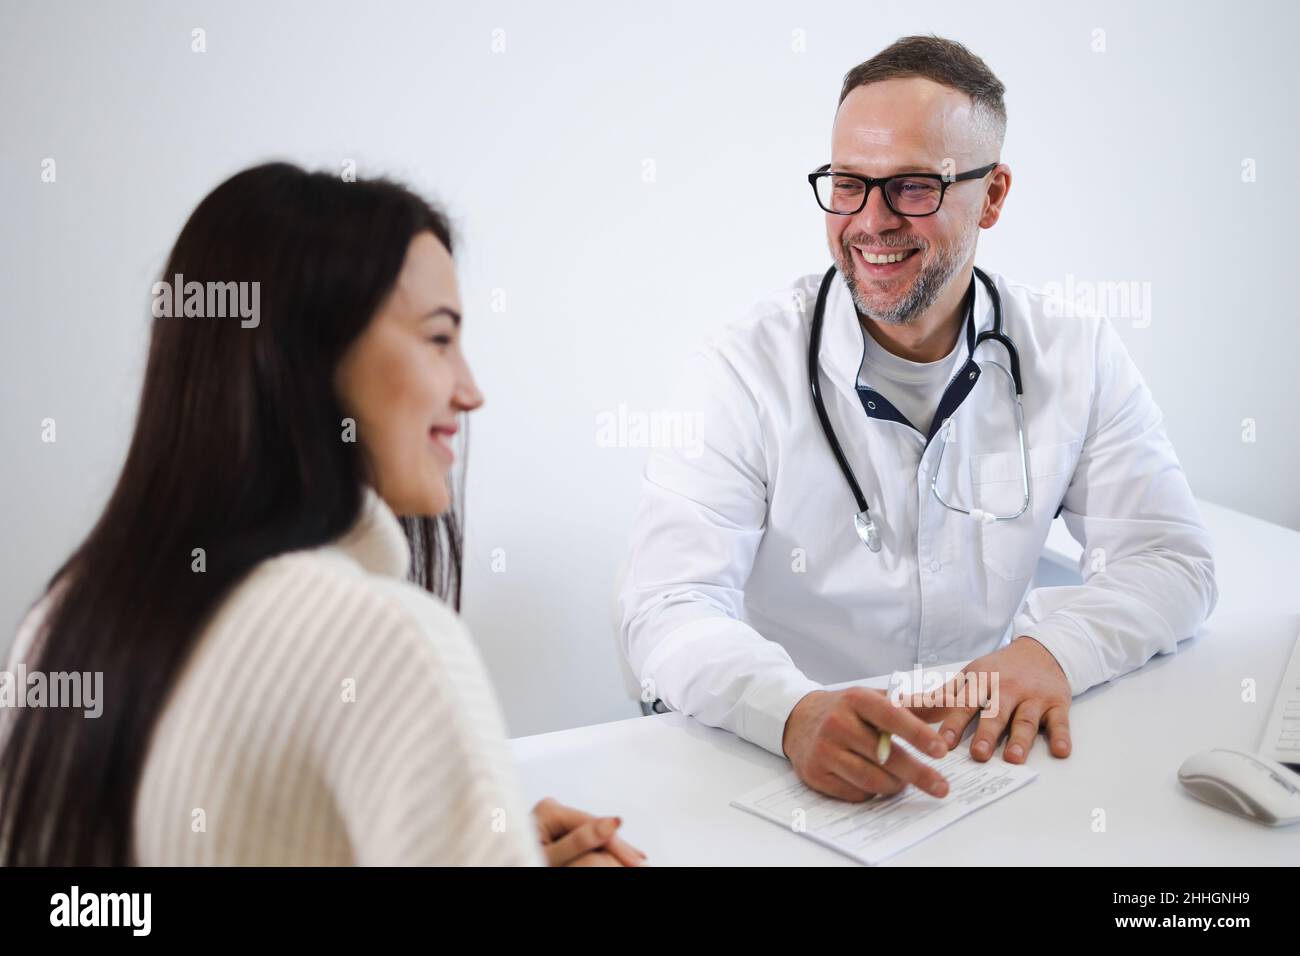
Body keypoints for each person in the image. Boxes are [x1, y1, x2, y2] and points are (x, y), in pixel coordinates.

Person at [619, 35, 1217, 802]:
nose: (869, 222)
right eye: (847, 183)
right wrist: (792, 712)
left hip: (978, 758)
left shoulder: (1075, 353)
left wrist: (1050, 653)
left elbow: (1171, 559)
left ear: (993, 195)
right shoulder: (740, 369)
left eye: (911, 187)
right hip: (772, 763)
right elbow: (669, 605)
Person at [0, 162, 644, 866]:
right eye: (438, 338)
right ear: (309, 357)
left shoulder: (64, 617)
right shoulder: (385, 639)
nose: (471, 390)